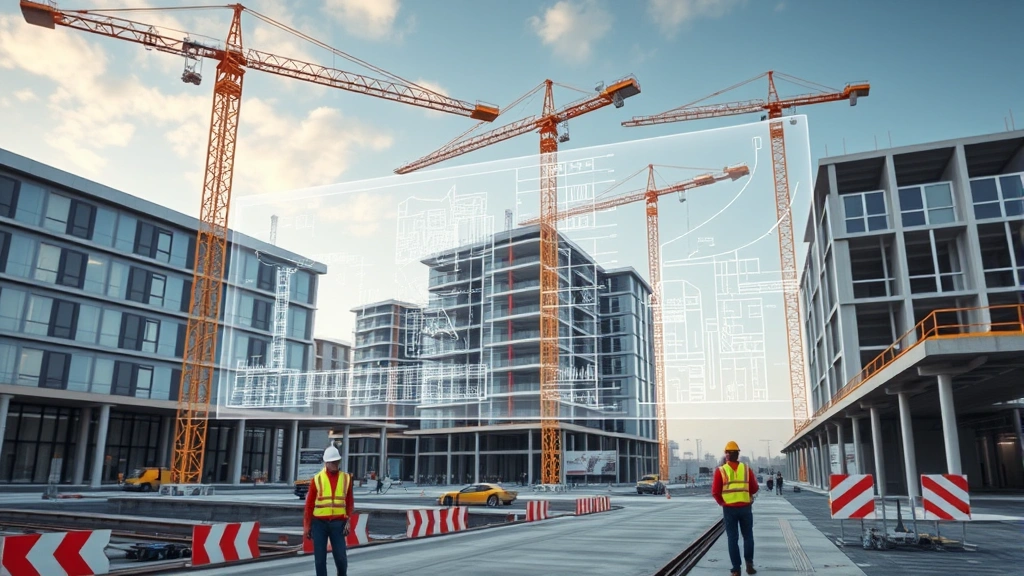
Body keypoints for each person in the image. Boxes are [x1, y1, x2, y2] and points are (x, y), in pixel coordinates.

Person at [304, 445, 353, 576]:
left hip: (338, 524)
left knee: (341, 558)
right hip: (319, 523)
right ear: (326, 463)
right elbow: (309, 505)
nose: (335, 464)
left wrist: (348, 520)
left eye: (337, 461)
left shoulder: (346, 478)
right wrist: (307, 526)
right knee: (320, 560)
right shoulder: (317, 479)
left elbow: (349, 502)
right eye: (332, 462)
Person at [712, 441, 759, 576]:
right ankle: (749, 564)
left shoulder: (721, 471)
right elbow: (754, 488)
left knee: (732, 538)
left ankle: (736, 569)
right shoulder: (746, 469)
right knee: (748, 536)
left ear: (727, 455)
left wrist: (723, 503)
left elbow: (715, 492)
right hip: (745, 507)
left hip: (729, 509)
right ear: (738, 455)